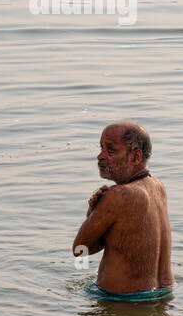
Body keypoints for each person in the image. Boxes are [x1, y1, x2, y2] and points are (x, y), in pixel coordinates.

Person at [72, 121, 174, 301]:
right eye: (101, 148)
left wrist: (92, 212)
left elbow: (81, 250)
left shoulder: (119, 196)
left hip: (122, 302)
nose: (100, 156)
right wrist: (96, 212)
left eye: (111, 150)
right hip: (163, 295)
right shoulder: (158, 186)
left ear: (135, 157)